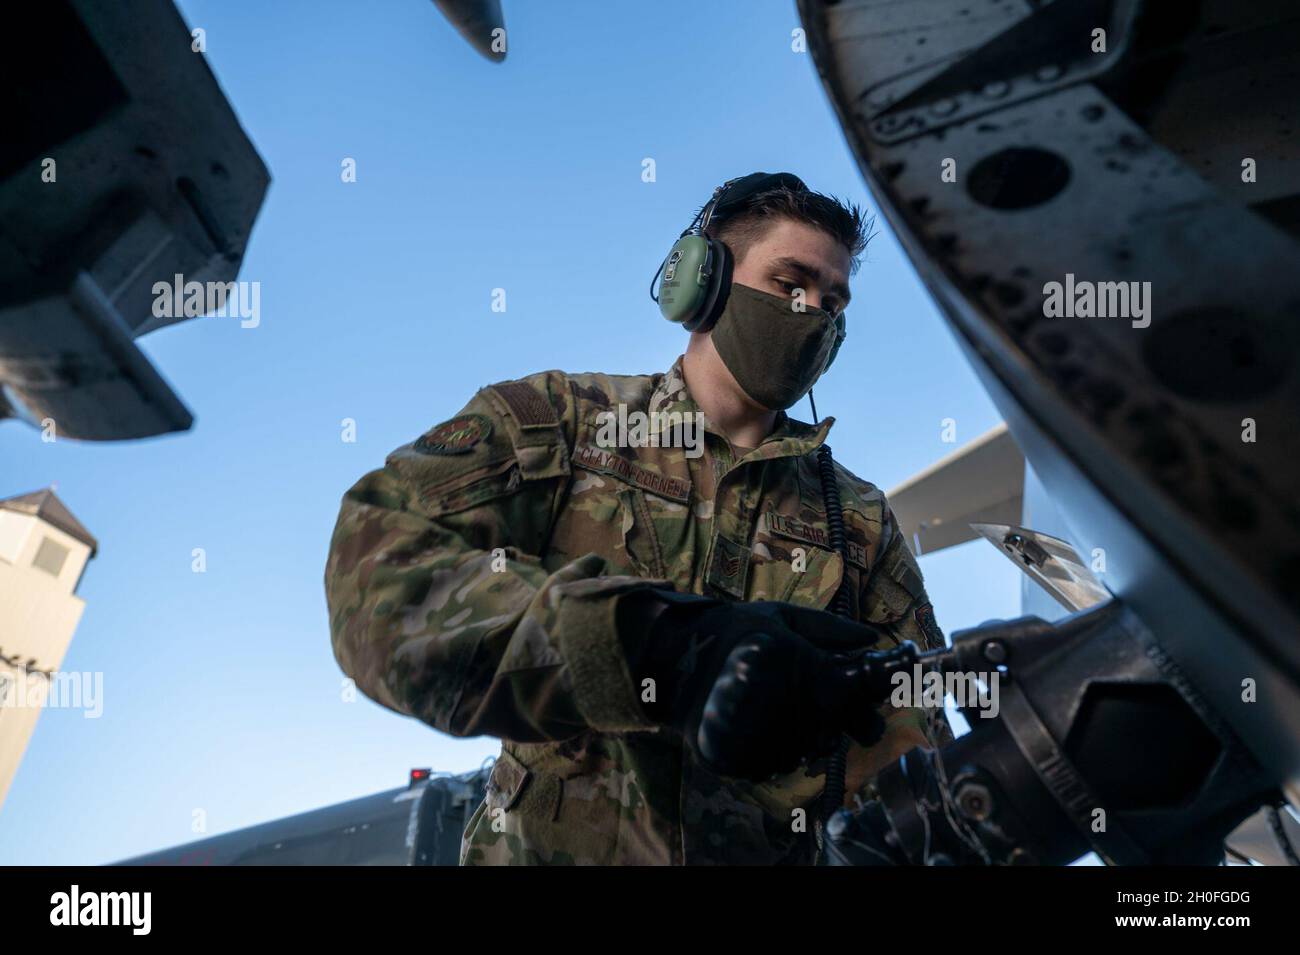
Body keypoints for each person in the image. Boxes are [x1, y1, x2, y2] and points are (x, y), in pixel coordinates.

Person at [324, 172, 950, 865]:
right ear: (703, 283)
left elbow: (919, 737)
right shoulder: (563, 423)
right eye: (790, 283)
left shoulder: (858, 521)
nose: (814, 313)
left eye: (833, 302)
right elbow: (378, 574)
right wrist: (652, 648)